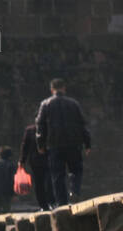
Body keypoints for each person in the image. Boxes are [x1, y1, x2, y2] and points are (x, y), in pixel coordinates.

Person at [34, 78, 91, 206]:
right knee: (76, 170)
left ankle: (62, 203)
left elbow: (40, 125)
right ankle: (74, 190)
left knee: (57, 175)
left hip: (54, 145)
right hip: (73, 144)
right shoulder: (73, 104)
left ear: (51, 89)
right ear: (64, 88)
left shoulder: (46, 104)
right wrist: (87, 143)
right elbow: (82, 124)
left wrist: (40, 144)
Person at [19, 123, 53, 210]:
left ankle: (46, 204)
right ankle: (46, 204)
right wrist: (22, 160)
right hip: (42, 161)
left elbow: (25, 146)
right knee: (42, 183)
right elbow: (25, 146)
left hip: (39, 161)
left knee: (42, 183)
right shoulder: (49, 127)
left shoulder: (30, 130)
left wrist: (22, 161)